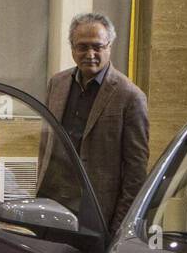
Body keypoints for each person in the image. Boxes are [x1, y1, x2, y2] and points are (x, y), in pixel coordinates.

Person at [42, 12, 150, 234]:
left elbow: (135, 172)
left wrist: (118, 227)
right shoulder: (57, 84)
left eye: (97, 46)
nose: (90, 54)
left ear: (109, 47)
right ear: (72, 49)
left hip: (99, 215)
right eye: (82, 47)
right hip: (53, 206)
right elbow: (46, 145)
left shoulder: (130, 96)